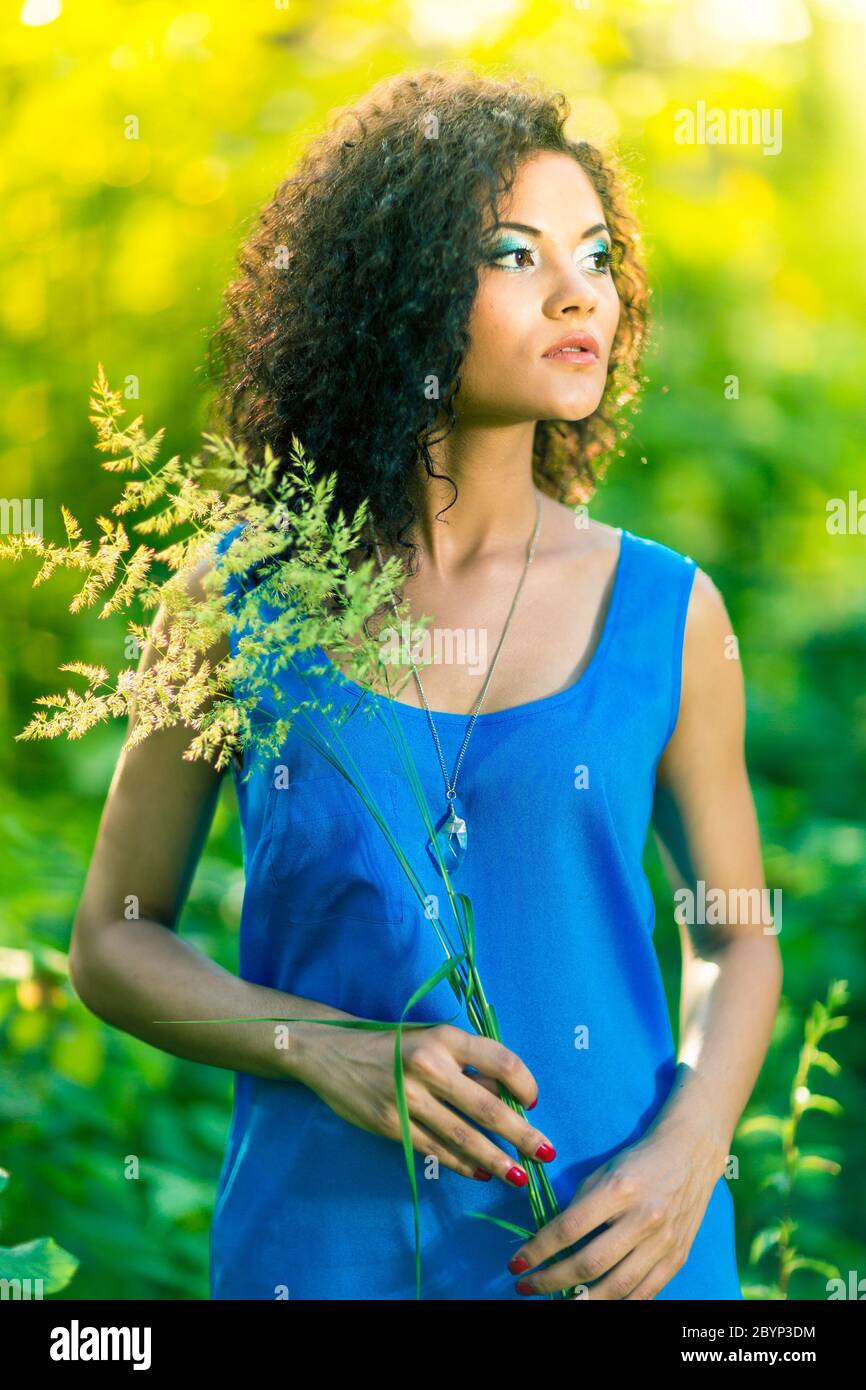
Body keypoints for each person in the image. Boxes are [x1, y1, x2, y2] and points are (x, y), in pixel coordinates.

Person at [70, 68, 781, 1300]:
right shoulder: (235, 599)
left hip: (615, 1253)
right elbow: (112, 940)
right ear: (393, 290)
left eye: (595, 255)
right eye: (512, 254)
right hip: (319, 1258)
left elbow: (736, 935)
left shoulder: (667, 612)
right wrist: (319, 1046)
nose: (577, 292)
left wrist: (689, 1153)